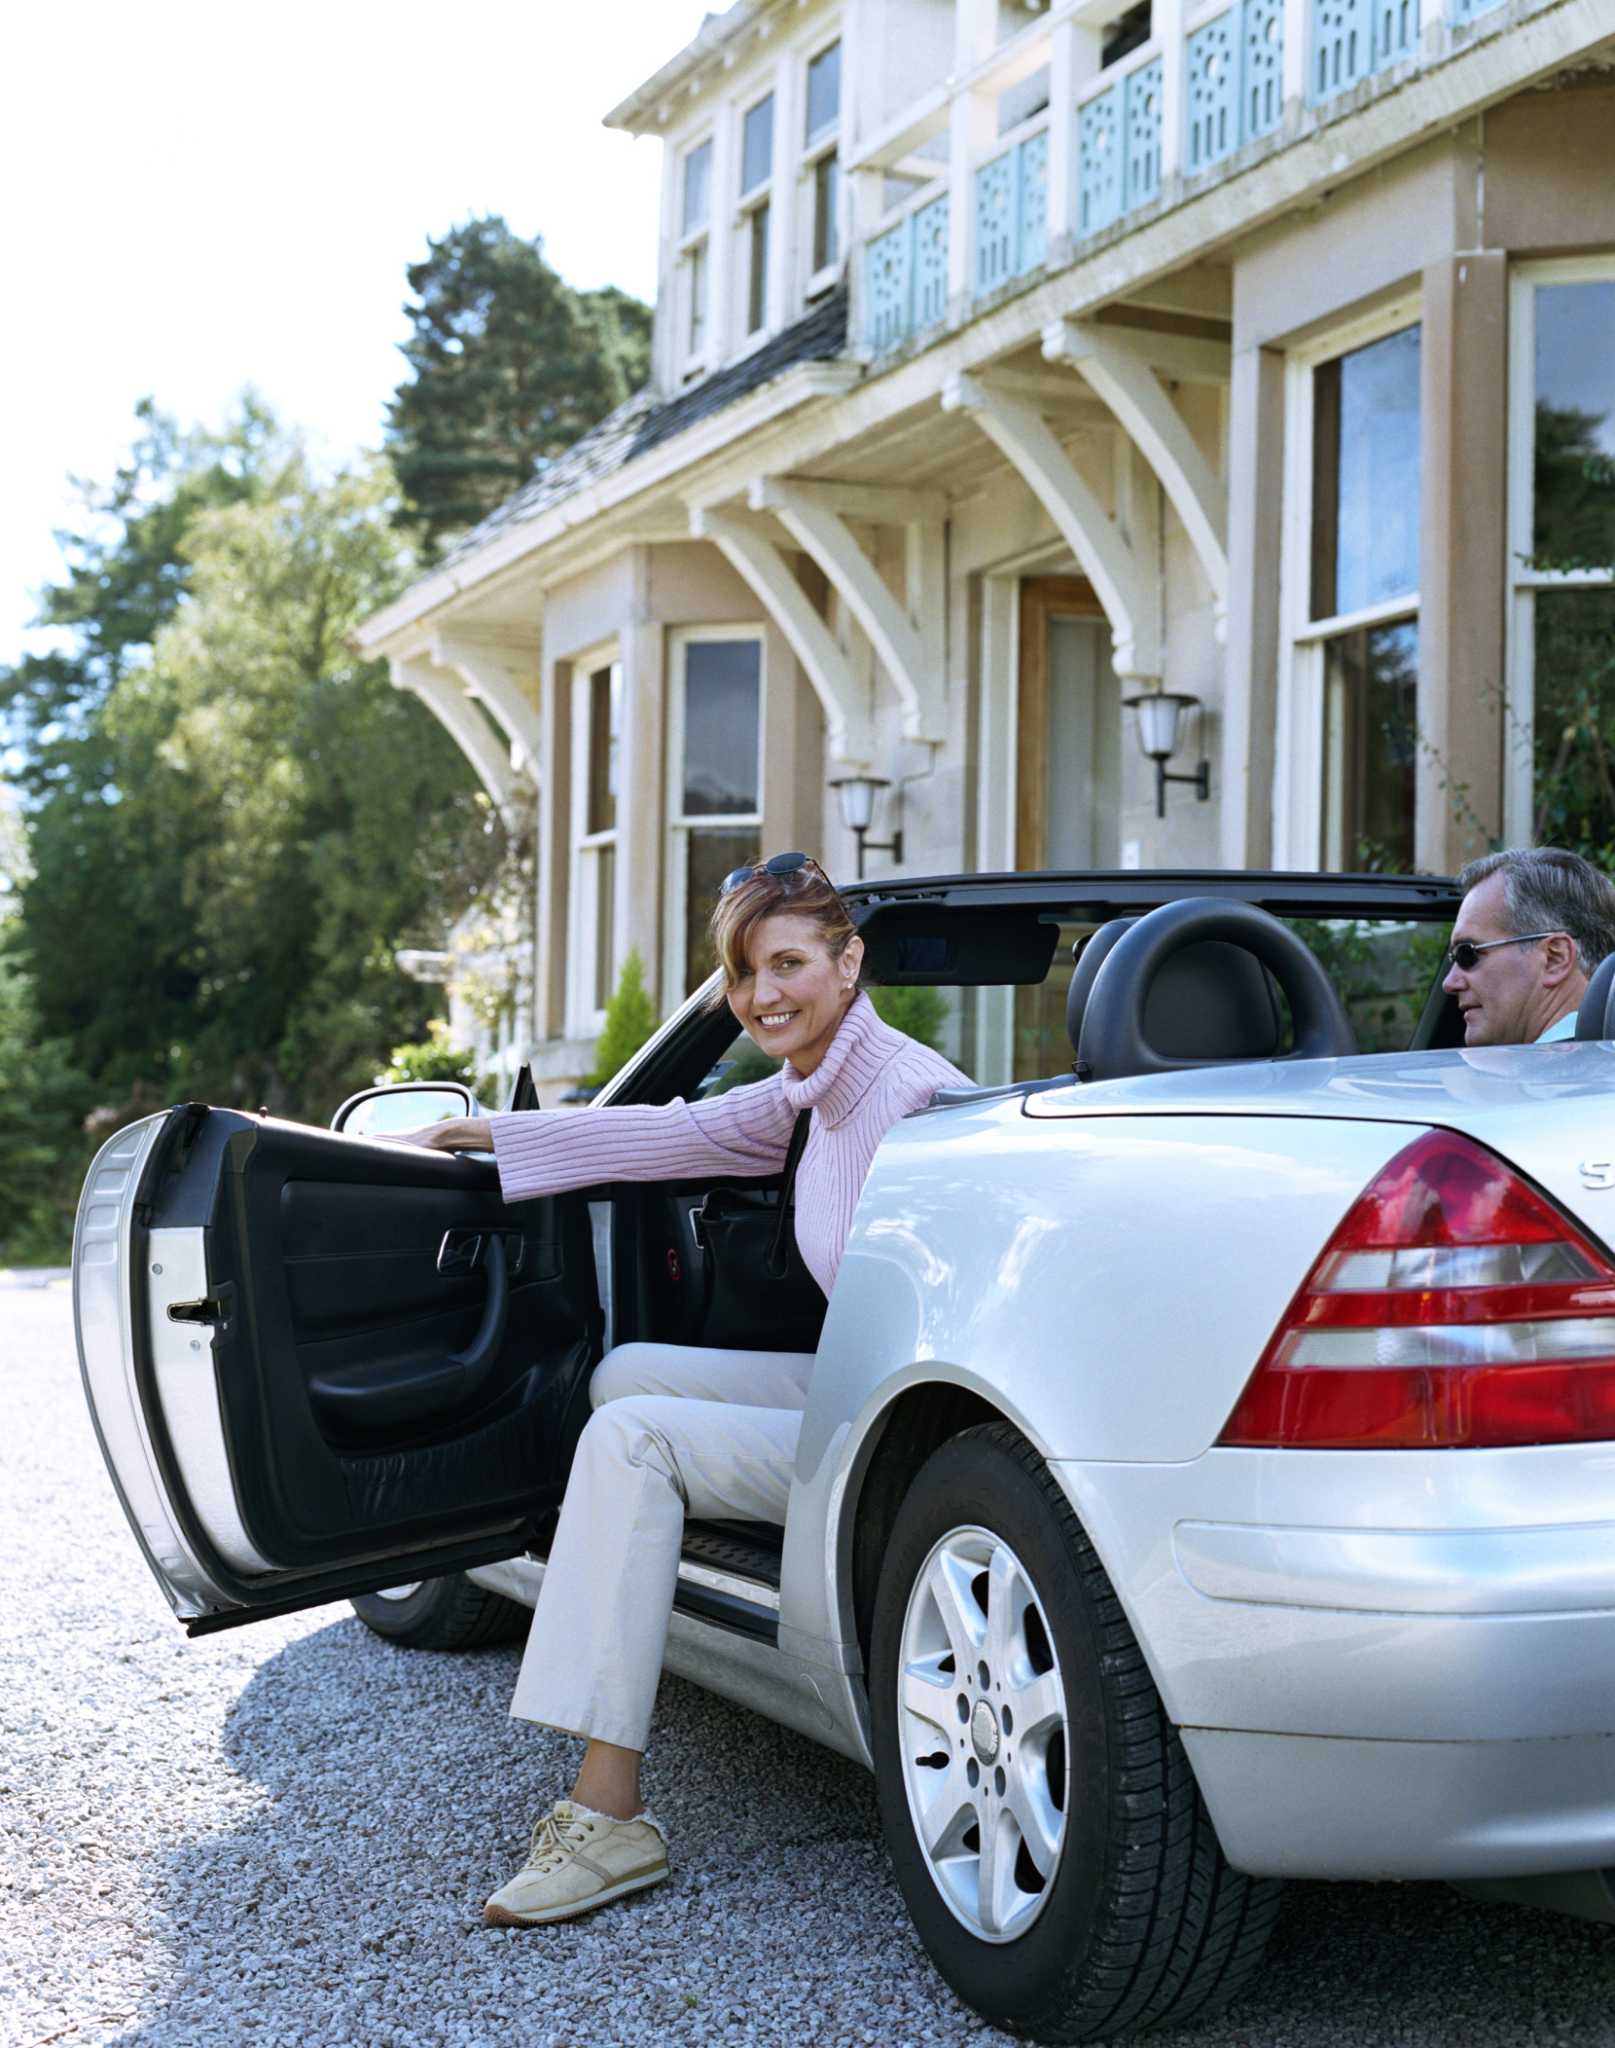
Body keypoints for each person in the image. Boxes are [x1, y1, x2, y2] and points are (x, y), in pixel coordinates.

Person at [402, 852, 970, 1928]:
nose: (764, 993)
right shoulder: (812, 1092)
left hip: (904, 1429)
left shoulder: (914, 1099)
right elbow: (664, 1129)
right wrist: (476, 1134)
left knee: (632, 1440)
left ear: (850, 964)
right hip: (858, 1390)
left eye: (791, 961)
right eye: (745, 971)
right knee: (624, 1374)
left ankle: (608, 1813)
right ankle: (637, 1611)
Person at [1442, 846, 1615, 1046]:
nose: (1449, 983)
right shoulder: (1598, 1065)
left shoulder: (1552, 1074)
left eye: (1466, 954)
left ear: (1554, 959)